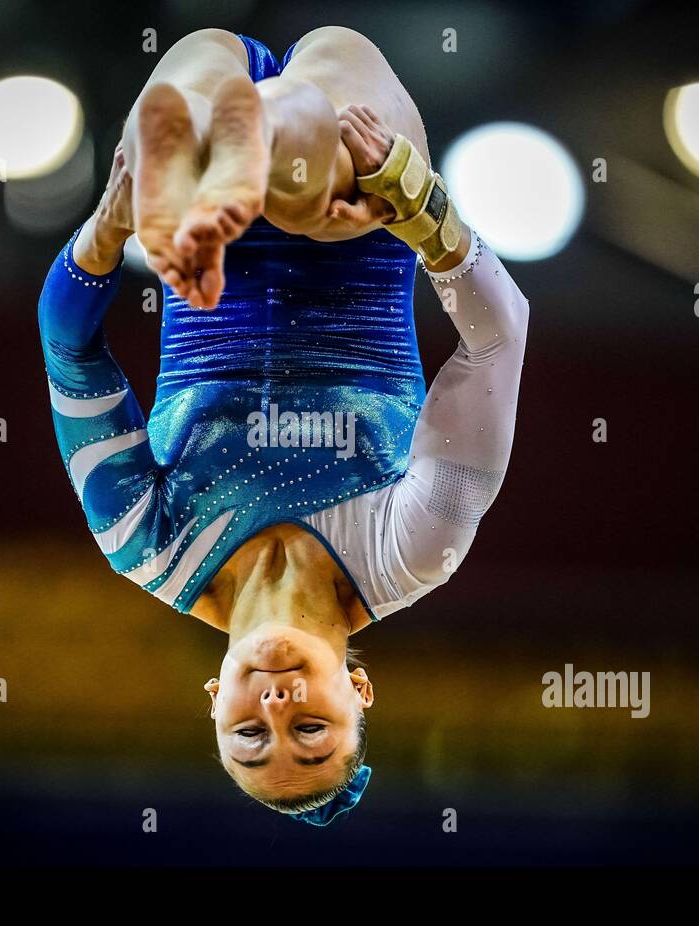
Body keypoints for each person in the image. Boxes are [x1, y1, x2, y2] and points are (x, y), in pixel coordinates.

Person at [37, 28, 529, 825]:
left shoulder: (147, 544)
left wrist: (109, 226)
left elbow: (69, 346)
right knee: (311, 166)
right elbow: (498, 342)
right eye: (311, 727)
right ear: (359, 690)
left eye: (248, 731)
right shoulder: (411, 551)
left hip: (210, 232)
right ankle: (229, 161)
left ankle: (202, 165)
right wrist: (425, 212)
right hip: (362, 222)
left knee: (190, 96)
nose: (277, 701)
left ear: (212, 699)